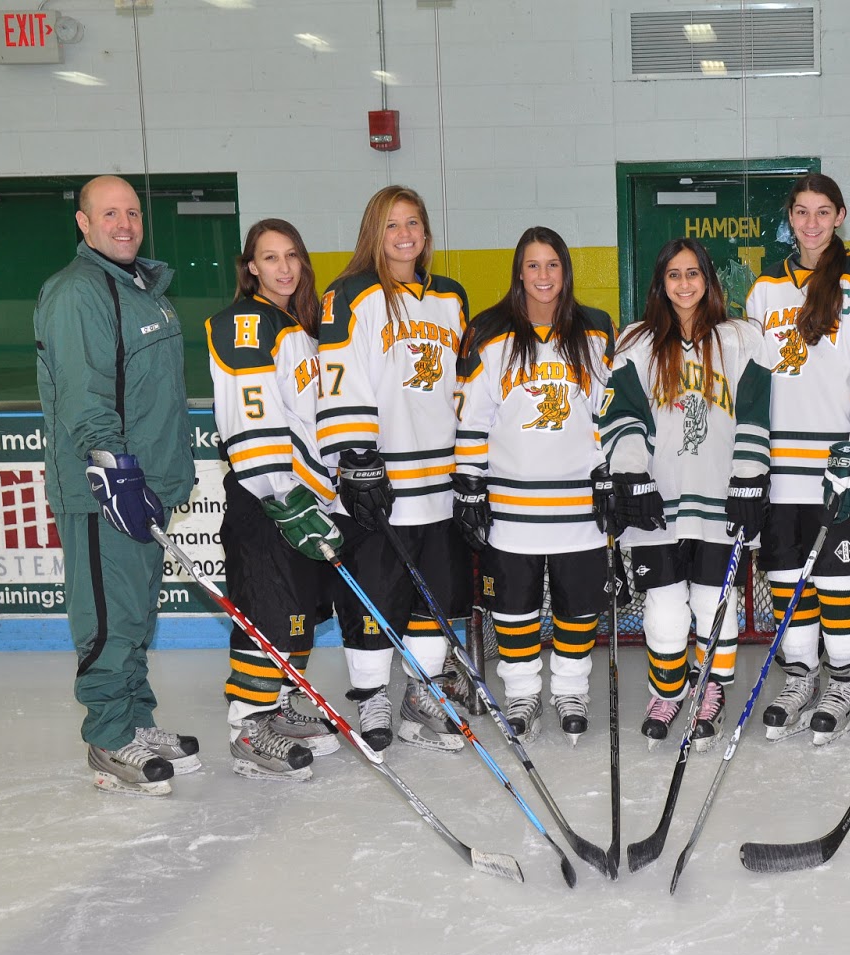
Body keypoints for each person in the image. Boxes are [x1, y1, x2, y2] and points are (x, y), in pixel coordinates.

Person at [35, 174, 199, 796]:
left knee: (134, 617)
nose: (125, 224)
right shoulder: (79, 292)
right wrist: (115, 471)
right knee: (106, 617)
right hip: (108, 490)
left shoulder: (138, 290)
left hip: (147, 487)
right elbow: (84, 394)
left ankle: (135, 721)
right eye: (109, 213)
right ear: (84, 223)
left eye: (132, 212)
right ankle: (108, 737)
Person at [744, 174, 850, 745]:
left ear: (840, 215)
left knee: (842, 581)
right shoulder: (765, 289)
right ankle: (800, 672)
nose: (811, 223)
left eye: (822, 212)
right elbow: (758, 384)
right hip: (783, 467)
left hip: (841, 464)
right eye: (801, 212)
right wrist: (752, 462)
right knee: (787, 581)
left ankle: (844, 677)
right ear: (790, 217)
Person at [316, 186, 472, 755]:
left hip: (441, 480)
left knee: (436, 594)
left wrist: (473, 468)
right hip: (377, 478)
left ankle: (420, 697)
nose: (404, 234)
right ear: (372, 233)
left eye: (413, 223)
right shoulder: (349, 294)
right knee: (376, 593)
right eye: (391, 225)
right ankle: (373, 693)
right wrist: (356, 456)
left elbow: (463, 386)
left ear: (426, 233)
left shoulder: (451, 298)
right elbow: (339, 375)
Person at [600, 238, 771, 750]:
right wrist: (632, 474)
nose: (684, 283)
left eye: (693, 272)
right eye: (673, 274)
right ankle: (668, 691)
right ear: (660, 282)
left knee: (713, 600)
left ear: (709, 280)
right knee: (665, 606)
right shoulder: (636, 341)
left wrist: (749, 476)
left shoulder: (742, 338)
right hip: (658, 497)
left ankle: (711, 688)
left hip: (721, 496)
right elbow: (621, 414)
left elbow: (756, 413)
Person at [453, 227, 616, 743]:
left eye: (552, 265)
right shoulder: (489, 330)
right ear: (518, 272)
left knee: (577, 606)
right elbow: (471, 416)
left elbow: (606, 414)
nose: (543, 276)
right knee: (515, 608)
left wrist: (609, 472)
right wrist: (469, 482)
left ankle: (571, 689)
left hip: (578, 503)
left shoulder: (594, 330)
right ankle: (522, 693)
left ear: (565, 270)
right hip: (512, 504)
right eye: (533, 266)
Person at [207, 219, 344, 782]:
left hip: (302, 499)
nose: (284, 268)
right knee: (267, 608)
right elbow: (253, 418)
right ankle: (248, 727)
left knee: (297, 614)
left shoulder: (295, 326)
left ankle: (279, 706)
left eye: (292, 256)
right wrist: (283, 495)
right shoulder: (246, 322)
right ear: (251, 268)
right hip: (269, 502)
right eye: (270, 258)